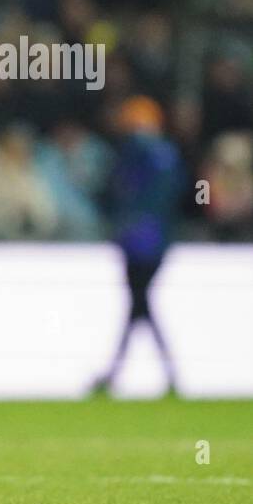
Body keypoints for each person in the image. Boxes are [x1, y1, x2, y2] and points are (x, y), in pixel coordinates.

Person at [93, 96, 185, 396]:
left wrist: (123, 228)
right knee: (140, 305)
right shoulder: (165, 153)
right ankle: (159, 372)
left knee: (139, 303)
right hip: (154, 239)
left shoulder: (136, 152)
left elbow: (120, 194)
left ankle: (118, 373)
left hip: (139, 241)